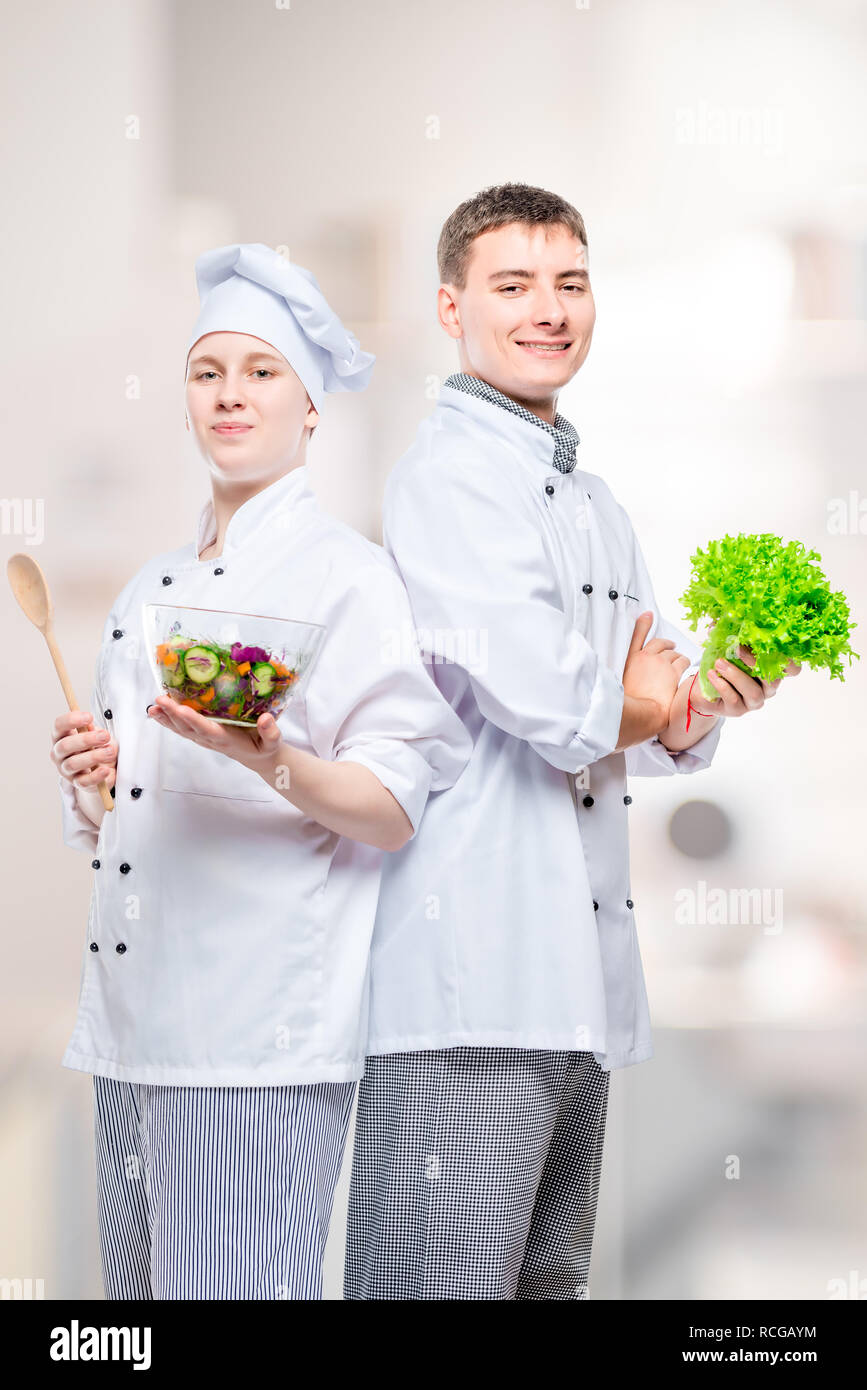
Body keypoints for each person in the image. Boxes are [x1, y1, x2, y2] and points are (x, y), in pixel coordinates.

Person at [343, 183, 801, 1300]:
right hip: (468, 979)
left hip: (572, 980)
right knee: (439, 1289)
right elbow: (551, 696)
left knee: (546, 1285)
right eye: (513, 286)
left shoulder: (590, 500)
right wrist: (635, 699)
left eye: (571, 284)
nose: (548, 310)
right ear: (452, 306)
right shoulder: (450, 478)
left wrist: (708, 700)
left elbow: (634, 715)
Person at [49, 241, 472, 1300]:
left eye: (261, 372)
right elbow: (124, 822)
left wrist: (273, 756)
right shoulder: (152, 587)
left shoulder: (349, 577)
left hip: (253, 1042)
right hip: (131, 1030)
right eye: (208, 372)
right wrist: (95, 778)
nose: (231, 396)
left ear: (311, 406)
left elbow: (389, 806)